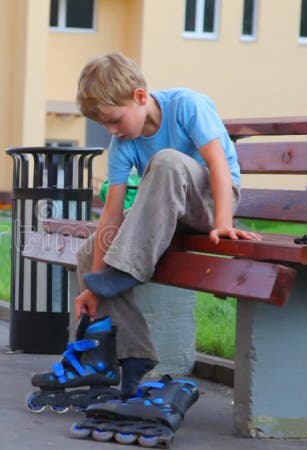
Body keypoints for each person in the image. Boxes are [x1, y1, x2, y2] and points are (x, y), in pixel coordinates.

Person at [76, 52, 260, 397]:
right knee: (89, 253)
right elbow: (112, 211)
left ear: (139, 97)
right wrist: (94, 284)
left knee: (167, 162)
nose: (112, 131)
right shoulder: (122, 144)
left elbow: (218, 164)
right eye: (106, 126)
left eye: (114, 120)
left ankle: (126, 268)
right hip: (164, 215)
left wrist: (223, 222)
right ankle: (134, 357)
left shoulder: (187, 105)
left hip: (209, 203)